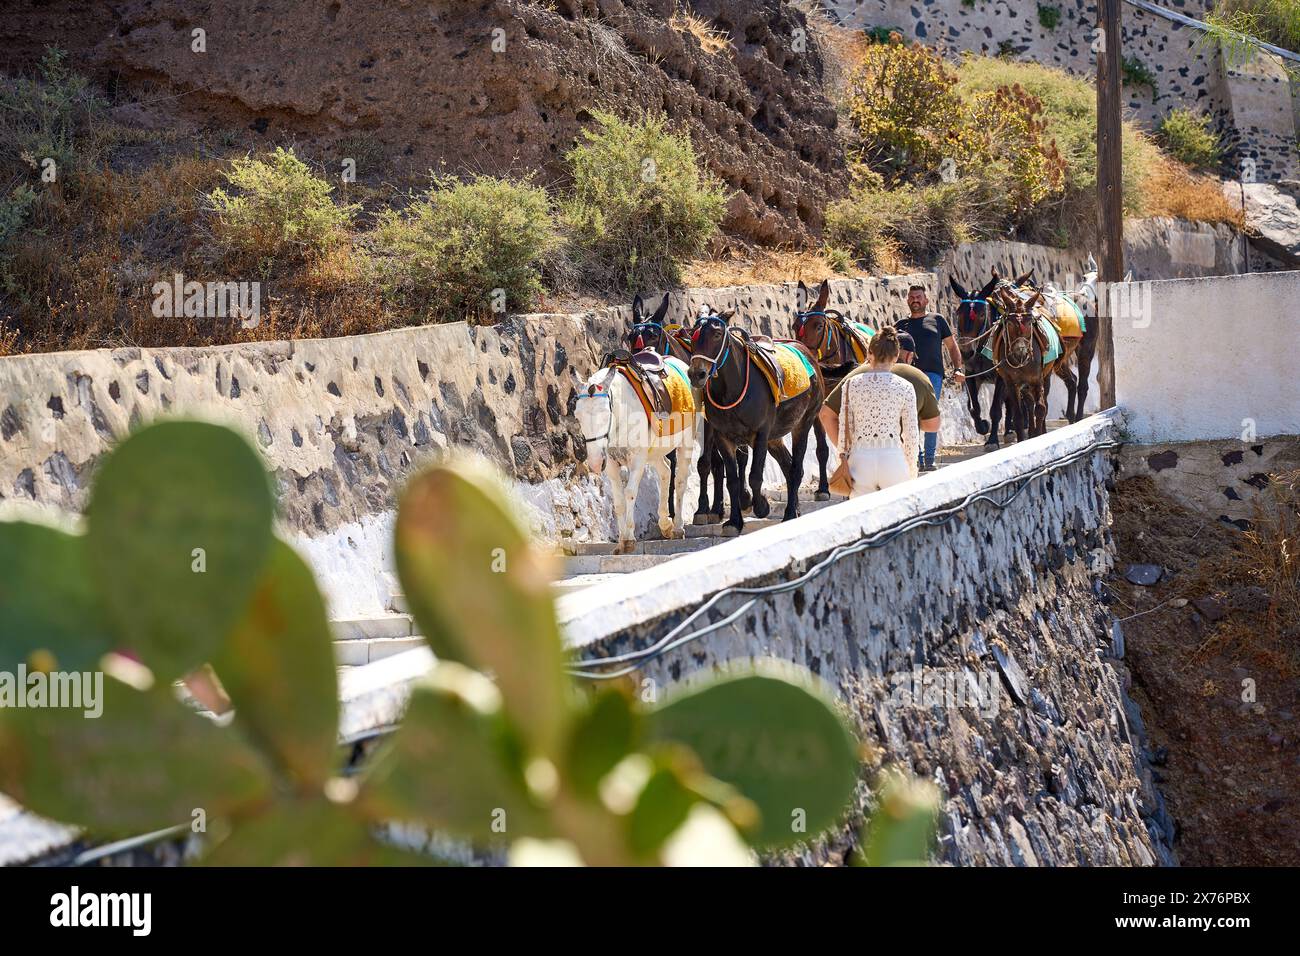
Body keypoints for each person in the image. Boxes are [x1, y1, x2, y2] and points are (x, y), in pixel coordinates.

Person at [820, 330, 940, 463]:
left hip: (860, 461)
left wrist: (846, 455)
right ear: (903, 355)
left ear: (869, 352)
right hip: (895, 461)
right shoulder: (915, 380)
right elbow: (932, 426)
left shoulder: (853, 379)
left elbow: (826, 415)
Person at [832, 326, 919, 497]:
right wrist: (911, 470)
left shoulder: (851, 384)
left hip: (860, 461)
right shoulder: (906, 387)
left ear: (869, 353)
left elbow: (844, 431)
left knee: (861, 520)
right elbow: (911, 436)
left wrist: (842, 462)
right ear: (896, 356)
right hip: (893, 459)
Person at [897, 285, 964, 472]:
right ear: (907, 300)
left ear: (926, 300)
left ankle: (929, 458)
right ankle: (916, 457)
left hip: (932, 375)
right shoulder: (900, 326)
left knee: (930, 413)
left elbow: (952, 346)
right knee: (909, 416)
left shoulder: (937, 320)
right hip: (907, 376)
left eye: (918, 296)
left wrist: (958, 368)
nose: (915, 300)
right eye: (911, 297)